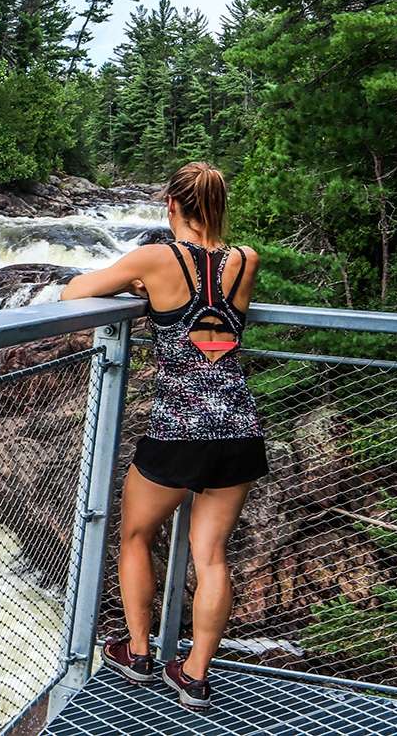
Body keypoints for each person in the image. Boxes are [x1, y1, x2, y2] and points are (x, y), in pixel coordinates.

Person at [59, 161, 267, 712]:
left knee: (134, 536)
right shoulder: (245, 260)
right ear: (218, 205)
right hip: (238, 427)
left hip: (176, 430)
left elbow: (73, 293)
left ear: (170, 205)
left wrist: (136, 282)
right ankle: (194, 675)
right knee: (212, 553)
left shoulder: (155, 258)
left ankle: (139, 651)